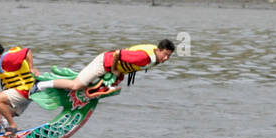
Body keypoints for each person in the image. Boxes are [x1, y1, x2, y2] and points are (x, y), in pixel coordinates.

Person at [36, 40, 175, 95]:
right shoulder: (144, 57)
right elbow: (118, 53)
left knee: (106, 85)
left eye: (168, 56)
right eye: (165, 54)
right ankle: (41, 85)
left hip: (115, 68)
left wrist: (118, 75)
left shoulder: (154, 56)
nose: (166, 58)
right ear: (158, 50)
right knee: (75, 85)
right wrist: (114, 70)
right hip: (104, 63)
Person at [0, 43, 41, 133]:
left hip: (24, 90)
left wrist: (31, 68)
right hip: (26, 94)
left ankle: (13, 125)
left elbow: (27, 51)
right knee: (1, 116)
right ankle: (10, 133)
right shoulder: (3, 63)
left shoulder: (7, 58)